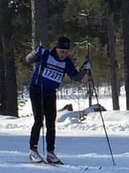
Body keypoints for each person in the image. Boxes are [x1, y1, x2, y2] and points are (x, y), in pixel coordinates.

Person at [25, 36, 89, 164]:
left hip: (50, 92)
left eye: (66, 52)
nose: (64, 55)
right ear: (56, 49)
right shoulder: (46, 54)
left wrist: (85, 69)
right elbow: (28, 60)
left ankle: (50, 152)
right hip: (37, 90)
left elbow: (76, 77)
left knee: (51, 122)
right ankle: (33, 150)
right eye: (61, 52)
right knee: (38, 119)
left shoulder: (66, 62)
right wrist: (35, 53)